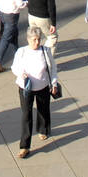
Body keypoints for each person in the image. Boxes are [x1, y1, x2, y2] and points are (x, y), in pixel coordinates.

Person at [12, 27, 58, 159]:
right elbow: (14, 67)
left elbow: (52, 68)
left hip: (42, 86)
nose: (36, 42)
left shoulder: (46, 51)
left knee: (43, 109)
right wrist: (21, 73)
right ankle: (24, 146)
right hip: (25, 88)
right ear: (28, 39)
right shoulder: (21, 52)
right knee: (26, 114)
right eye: (34, 40)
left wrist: (53, 83)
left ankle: (43, 129)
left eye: (38, 39)